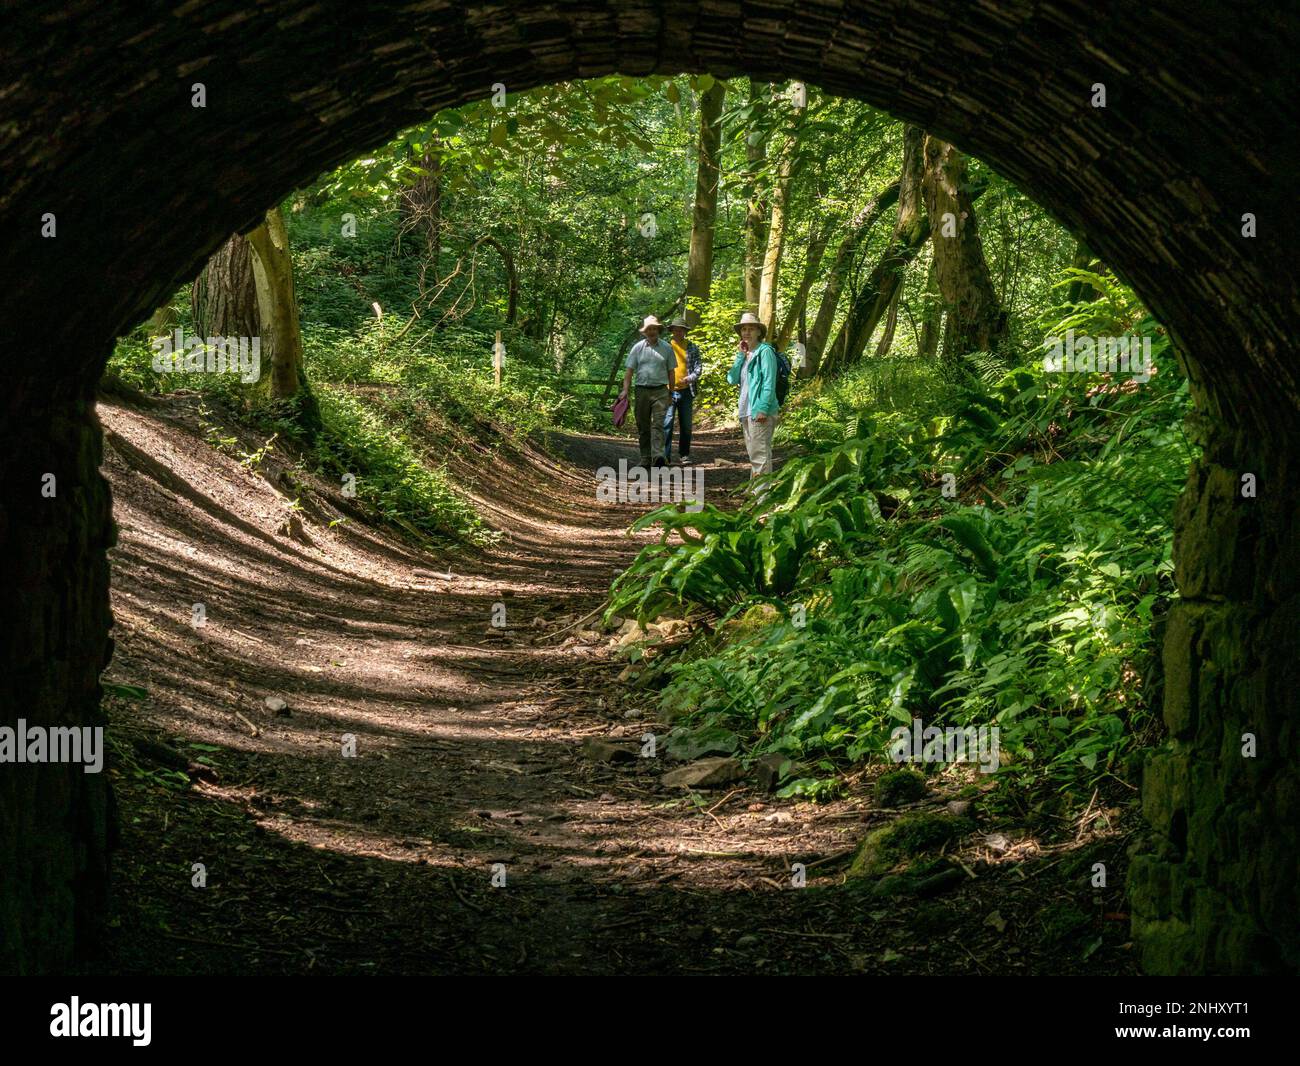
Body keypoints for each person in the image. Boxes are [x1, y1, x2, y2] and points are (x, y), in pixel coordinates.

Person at [726, 311, 780, 485]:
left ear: (759, 332)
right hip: (746, 411)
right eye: (744, 329)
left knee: (760, 454)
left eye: (751, 329)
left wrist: (763, 408)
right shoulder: (745, 354)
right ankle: (755, 491)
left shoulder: (765, 352)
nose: (746, 332)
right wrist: (740, 356)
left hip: (760, 410)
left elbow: (769, 382)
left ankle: (762, 497)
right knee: (756, 454)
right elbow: (731, 379)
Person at [618, 314, 675, 469]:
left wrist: (671, 392)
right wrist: (625, 390)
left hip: (661, 391)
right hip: (641, 390)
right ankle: (645, 458)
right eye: (649, 329)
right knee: (643, 426)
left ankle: (658, 457)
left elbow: (671, 372)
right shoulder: (637, 348)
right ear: (644, 331)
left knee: (658, 424)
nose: (652, 331)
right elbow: (629, 371)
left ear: (658, 330)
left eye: (654, 328)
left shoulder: (667, 348)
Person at [662, 316, 703, 465]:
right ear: (672, 331)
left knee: (686, 426)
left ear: (685, 331)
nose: (678, 332)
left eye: (681, 330)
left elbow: (698, 367)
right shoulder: (665, 346)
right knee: (667, 424)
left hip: (687, 391)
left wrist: (691, 377)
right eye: (676, 330)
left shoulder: (692, 347)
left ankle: (684, 455)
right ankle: (665, 456)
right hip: (668, 391)